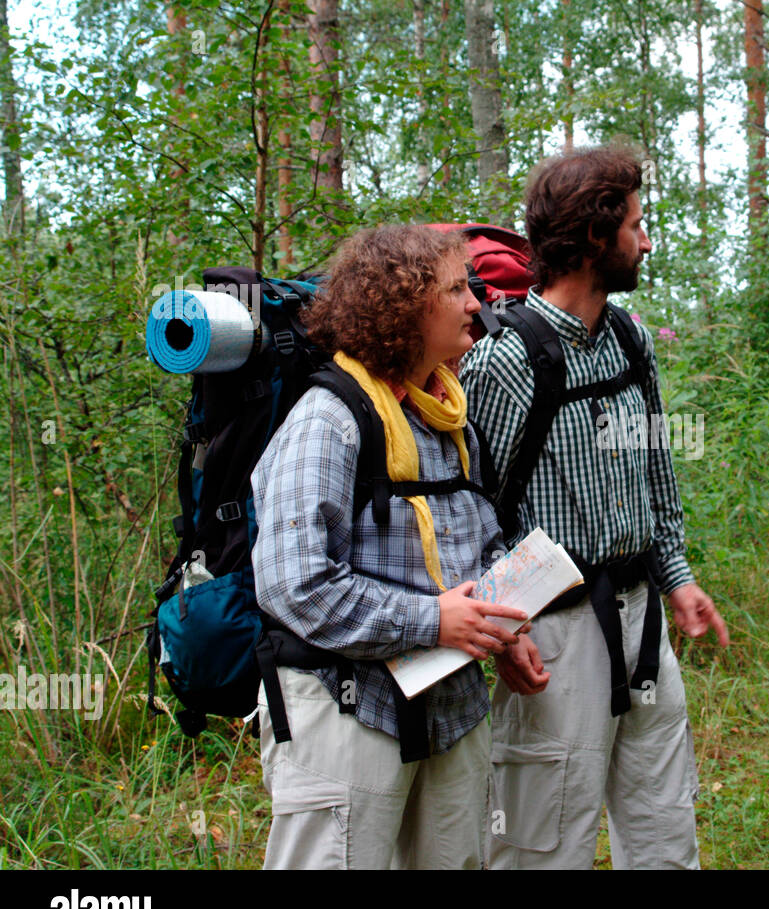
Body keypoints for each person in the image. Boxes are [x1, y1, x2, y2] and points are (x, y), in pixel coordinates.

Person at [461, 145, 730, 869]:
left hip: (642, 621)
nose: (646, 240)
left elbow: (656, 470)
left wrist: (676, 577)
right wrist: (500, 625)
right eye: (636, 225)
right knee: (539, 842)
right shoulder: (504, 361)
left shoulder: (631, 339)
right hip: (550, 633)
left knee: (666, 825)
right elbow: (472, 515)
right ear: (592, 238)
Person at [251, 224, 535, 869]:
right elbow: (292, 585)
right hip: (347, 708)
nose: (476, 304)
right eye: (458, 289)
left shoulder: (446, 415)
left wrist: (501, 629)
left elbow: (479, 540)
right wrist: (433, 620)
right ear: (406, 306)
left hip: (452, 705)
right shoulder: (328, 419)